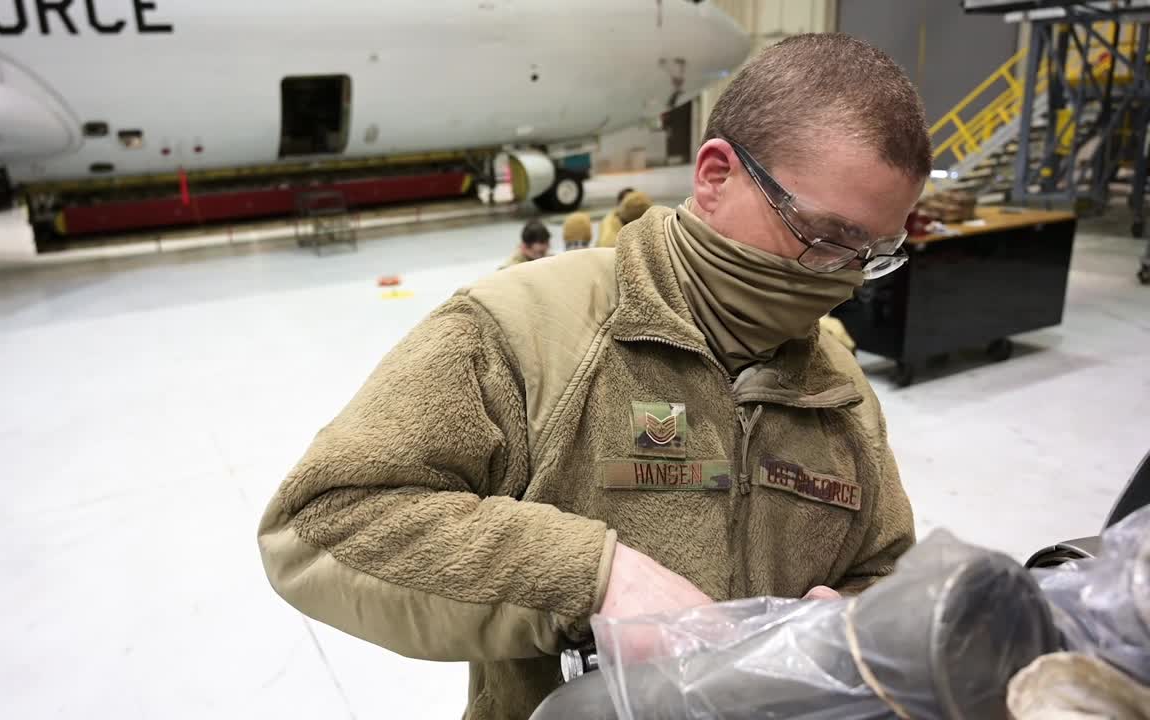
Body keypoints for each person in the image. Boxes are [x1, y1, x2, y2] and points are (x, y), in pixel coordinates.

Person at [259, 33, 929, 719]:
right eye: (823, 239)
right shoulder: (525, 332)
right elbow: (324, 522)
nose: (843, 280)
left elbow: (884, 566)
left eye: (874, 255)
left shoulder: (837, 386)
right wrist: (593, 577)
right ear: (717, 175)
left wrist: (850, 620)